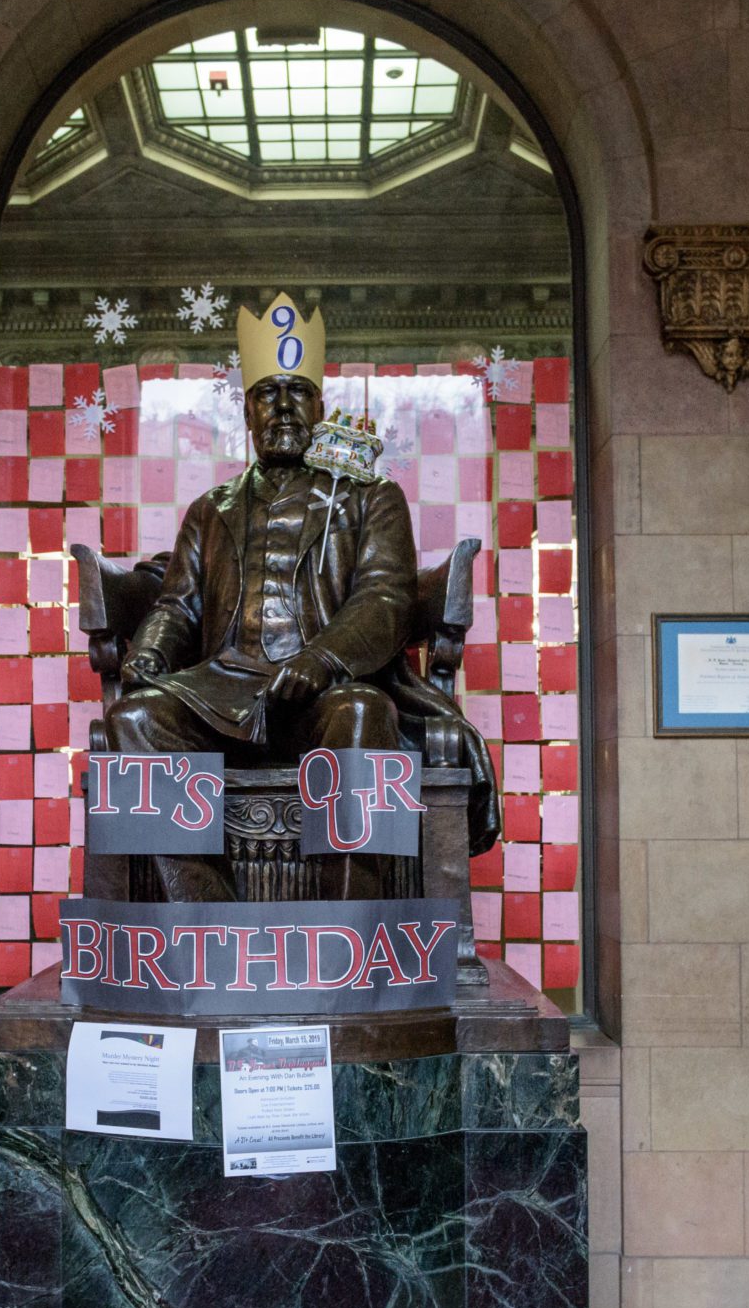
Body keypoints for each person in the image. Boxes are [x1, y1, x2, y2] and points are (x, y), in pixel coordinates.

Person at [107, 290, 497, 899]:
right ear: (247, 412)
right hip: (225, 692)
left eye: (296, 393)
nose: (283, 407)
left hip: (327, 694)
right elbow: (175, 604)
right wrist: (151, 654)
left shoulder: (370, 497)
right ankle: (209, 920)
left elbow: (384, 599)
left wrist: (319, 660)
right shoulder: (211, 510)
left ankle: (349, 928)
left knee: (365, 713)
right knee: (134, 717)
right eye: (268, 393)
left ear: (319, 405)